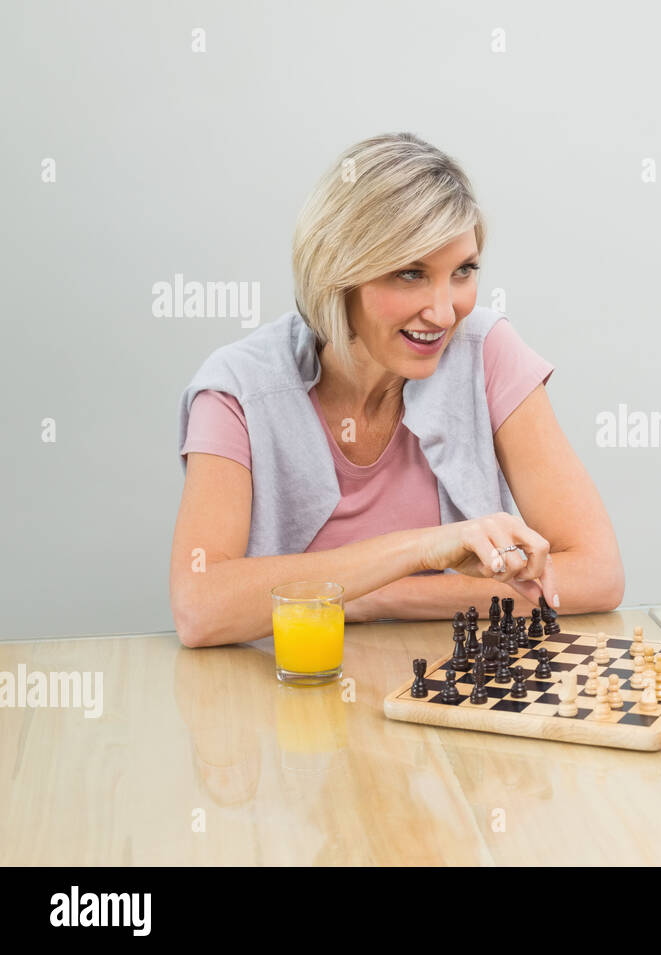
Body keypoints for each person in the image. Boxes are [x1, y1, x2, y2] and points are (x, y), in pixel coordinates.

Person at [172, 133, 623, 647]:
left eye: (462, 272)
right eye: (410, 274)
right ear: (335, 276)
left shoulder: (486, 350)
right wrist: (424, 549)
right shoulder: (237, 391)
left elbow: (597, 574)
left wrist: (368, 597)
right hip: (286, 696)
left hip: (443, 701)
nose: (443, 311)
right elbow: (199, 607)